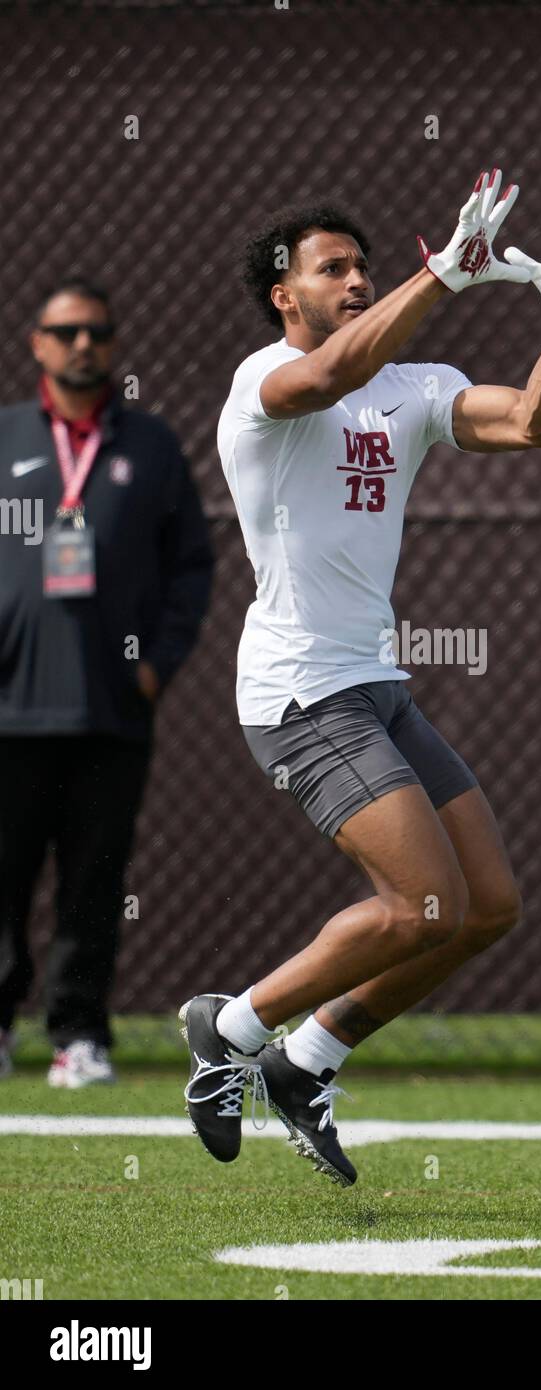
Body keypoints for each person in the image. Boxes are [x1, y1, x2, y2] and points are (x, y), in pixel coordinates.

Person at [181, 170, 541, 1184]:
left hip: (373, 684)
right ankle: (233, 1025)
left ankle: (310, 1056)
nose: (352, 278)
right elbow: (334, 372)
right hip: (299, 691)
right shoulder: (264, 383)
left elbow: (532, 423)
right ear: (281, 296)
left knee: (484, 907)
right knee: (421, 904)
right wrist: (441, 273)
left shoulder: (413, 385)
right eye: (328, 268)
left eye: (360, 265)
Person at [0, 277, 214, 1087]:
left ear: (114, 346)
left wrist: (155, 663)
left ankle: (79, 1036)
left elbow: (191, 565)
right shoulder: (6, 436)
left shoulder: (149, 446)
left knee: (94, 881)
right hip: (9, 707)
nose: (82, 344)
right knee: (3, 875)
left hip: (112, 706)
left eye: (97, 331)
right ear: (38, 344)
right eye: (66, 332)